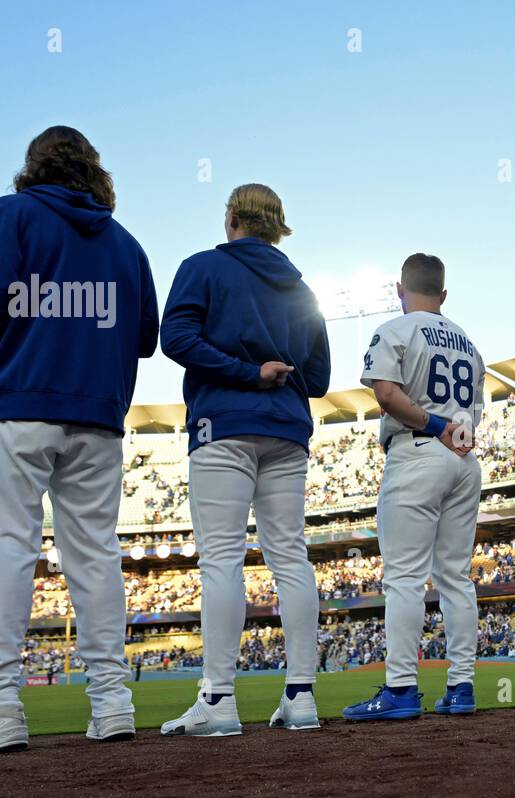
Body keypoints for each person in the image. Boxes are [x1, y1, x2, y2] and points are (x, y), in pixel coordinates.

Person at [0, 126, 158, 756]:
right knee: (95, 554)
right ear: (94, 170)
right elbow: (144, 336)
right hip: (97, 416)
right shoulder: (125, 242)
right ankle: (113, 703)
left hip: (18, 402)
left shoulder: (9, 214)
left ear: (32, 166)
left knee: (7, 549)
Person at [159, 183, 330, 736]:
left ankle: (218, 698)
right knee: (290, 556)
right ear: (279, 225)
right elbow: (321, 378)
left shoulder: (204, 266)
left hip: (225, 423)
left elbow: (176, 339)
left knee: (222, 560)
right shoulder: (301, 286)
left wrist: (245, 371)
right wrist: (274, 369)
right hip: (286, 428)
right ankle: (301, 696)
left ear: (232, 217)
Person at [342, 254, 484, 721]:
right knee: (456, 578)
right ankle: (461, 687)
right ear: (443, 295)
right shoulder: (467, 342)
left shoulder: (396, 330)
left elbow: (385, 394)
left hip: (420, 449)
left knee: (404, 578)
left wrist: (433, 422)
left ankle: (401, 688)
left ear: (399, 289)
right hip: (465, 460)